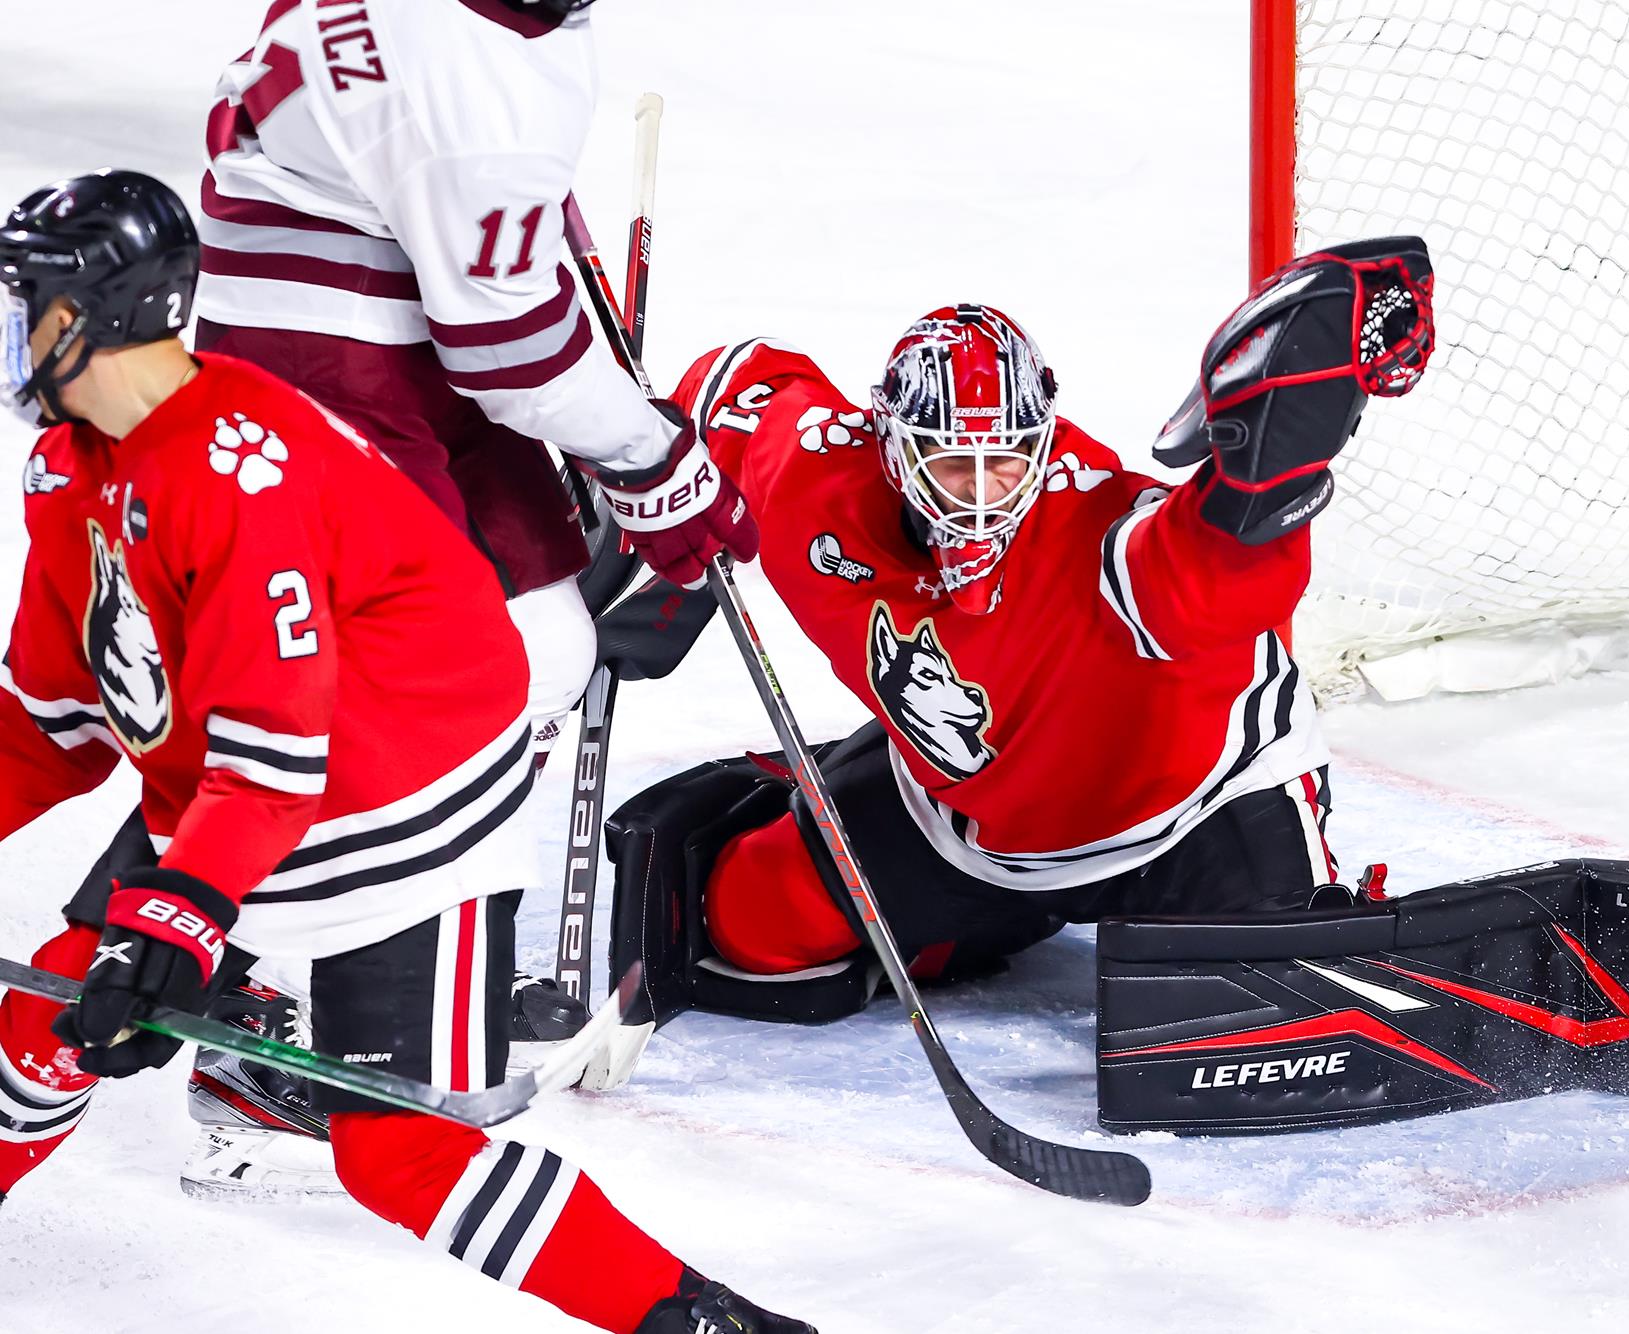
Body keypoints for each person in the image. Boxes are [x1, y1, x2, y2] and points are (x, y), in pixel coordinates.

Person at [0, 169, 811, 1334]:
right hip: (243, 786)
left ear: (98, 317)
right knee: (51, 1007)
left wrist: (178, 921)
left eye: (24, 304)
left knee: (403, 1152)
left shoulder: (244, 473)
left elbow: (278, 757)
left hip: (408, 802)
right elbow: (53, 719)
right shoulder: (74, 468)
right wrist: (171, 920)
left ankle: (706, 1322)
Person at [144, 0, 758, 1189]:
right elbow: (511, 348)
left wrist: (504, 228)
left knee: (551, 642)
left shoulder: (479, 46)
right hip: (325, 365)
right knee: (457, 677)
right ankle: (282, 1018)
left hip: (386, 325)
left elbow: (449, 204)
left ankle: (381, 942)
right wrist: (649, 459)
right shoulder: (475, 84)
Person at [596, 241, 1437, 1058]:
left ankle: (1278, 906)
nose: (979, 494)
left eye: (1003, 462)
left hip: (1196, 810)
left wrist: (1273, 465)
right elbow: (737, 384)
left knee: (1265, 1027)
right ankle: (982, 913)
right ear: (889, 443)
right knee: (747, 928)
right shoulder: (821, 481)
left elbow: (1215, 564)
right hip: (973, 826)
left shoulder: (1097, 524)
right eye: (948, 462)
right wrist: (634, 462)